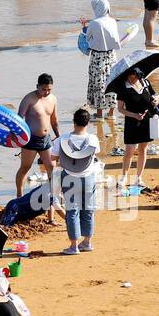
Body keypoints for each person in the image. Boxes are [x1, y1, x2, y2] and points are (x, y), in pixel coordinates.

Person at [55, 109, 100, 254]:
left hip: (69, 177)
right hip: (88, 178)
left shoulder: (62, 139)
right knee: (88, 210)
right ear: (88, 122)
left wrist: (64, 161)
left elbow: (51, 158)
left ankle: (73, 246)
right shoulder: (93, 139)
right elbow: (95, 154)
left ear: (74, 122)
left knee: (72, 211)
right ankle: (87, 243)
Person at [16, 74, 59, 212]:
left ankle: (53, 199)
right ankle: (19, 194)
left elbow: (54, 120)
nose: (46, 92)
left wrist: (58, 137)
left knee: (52, 168)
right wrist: (16, 137)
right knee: (25, 167)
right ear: (37, 87)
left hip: (46, 139)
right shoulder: (29, 99)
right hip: (30, 139)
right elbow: (18, 119)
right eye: (43, 89)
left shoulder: (52, 99)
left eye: (49, 89)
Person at [116, 68, 157, 188]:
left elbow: (154, 97)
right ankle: (124, 177)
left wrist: (155, 101)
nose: (131, 78)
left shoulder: (146, 83)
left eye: (133, 75)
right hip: (131, 121)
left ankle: (139, 177)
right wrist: (134, 115)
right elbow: (120, 109)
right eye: (129, 76)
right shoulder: (123, 87)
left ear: (138, 74)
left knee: (143, 149)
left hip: (146, 119)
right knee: (129, 150)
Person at [82, 0, 121, 117]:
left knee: (98, 83)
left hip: (97, 56)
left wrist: (84, 26)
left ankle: (99, 115)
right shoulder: (113, 21)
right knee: (112, 81)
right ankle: (111, 113)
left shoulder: (95, 23)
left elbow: (87, 37)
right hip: (111, 55)